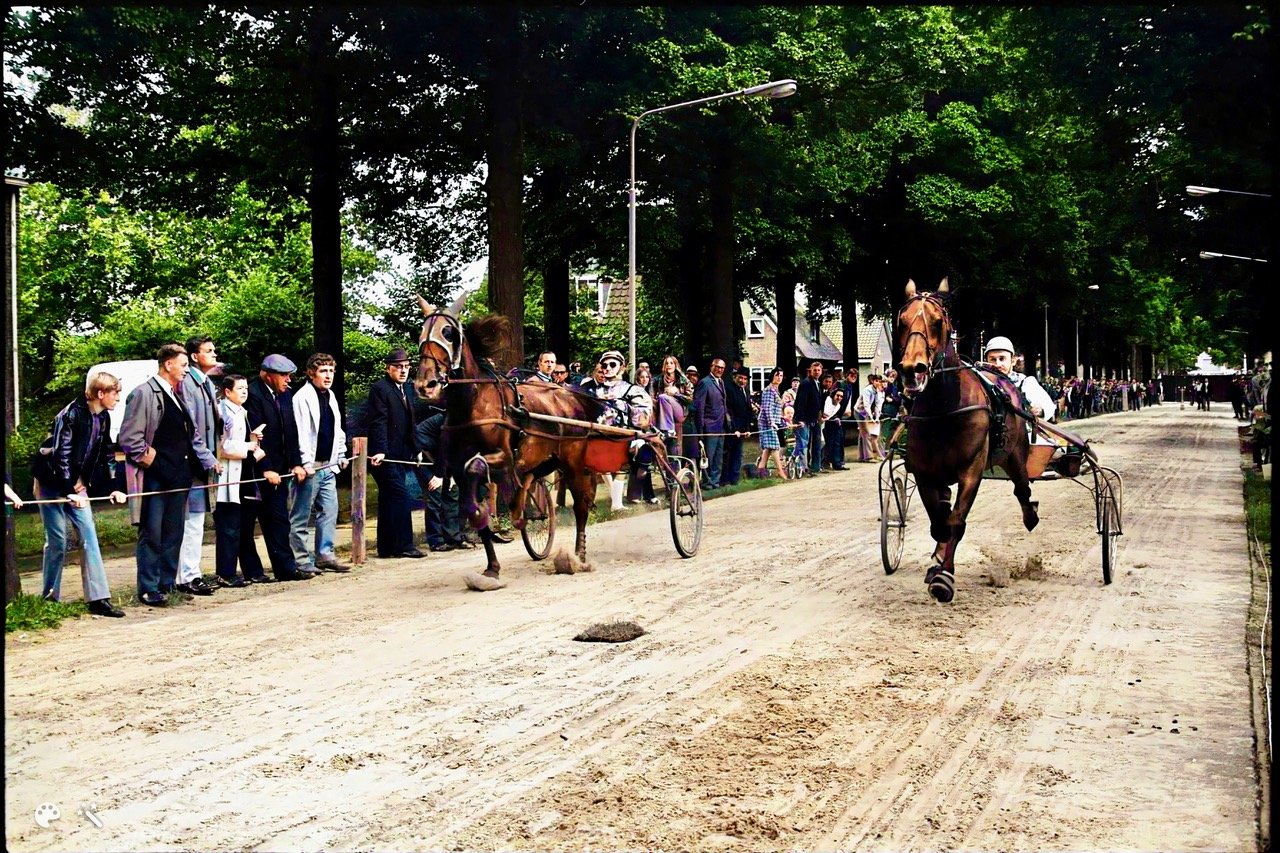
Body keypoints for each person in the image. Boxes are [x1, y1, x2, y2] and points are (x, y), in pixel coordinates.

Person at [30, 371, 128, 617]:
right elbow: (61, 454)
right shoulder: (71, 414)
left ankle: (98, 599)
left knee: (88, 535)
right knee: (57, 540)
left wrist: (113, 487)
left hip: (76, 483)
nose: (118, 398)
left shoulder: (103, 416)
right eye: (115, 393)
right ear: (100, 393)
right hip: (51, 482)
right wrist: (68, 489)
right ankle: (49, 597)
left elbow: (105, 454)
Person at [119, 343, 204, 606]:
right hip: (155, 477)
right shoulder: (144, 393)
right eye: (183, 365)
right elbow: (130, 439)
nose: (187, 370)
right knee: (152, 533)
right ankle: (148, 587)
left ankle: (167, 585)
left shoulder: (178, 395)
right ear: (168, 364)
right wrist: (158, 465)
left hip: (180, 476)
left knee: (173, 533)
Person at [245, 354, 315, 581]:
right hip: (256, 471)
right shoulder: (253, 394)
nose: (288, 380)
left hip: (281, 469)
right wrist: (265, 467)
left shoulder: (285, 395)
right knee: (247, 523)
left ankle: (285, 569)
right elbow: (254, 434)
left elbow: (291, 432)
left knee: (279, 519)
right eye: (283, 375)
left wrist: (296, 462)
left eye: (289, 375)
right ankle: (253, 572)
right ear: (267, 374)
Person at [290, 352, 351, 574]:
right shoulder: (302, 397)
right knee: (302, 515)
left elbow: (337, 429)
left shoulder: (331, 396)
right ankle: (301, 559)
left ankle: (325, 554)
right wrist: (306, 464)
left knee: (329, 511)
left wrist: (341, 454)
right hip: (311, 467)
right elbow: (301, 434)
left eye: (331, 371)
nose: (328, 376)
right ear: (311, 373)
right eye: (323, 371)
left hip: (328, 466)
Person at [176, 335, 223, 596]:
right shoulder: (188, 384)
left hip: (203, 463)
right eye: (209, 350)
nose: (214, 354)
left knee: (196, 521)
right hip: (193, 464)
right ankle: (187, 576)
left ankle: (191, 573)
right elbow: (192, 427)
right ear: (195, 356)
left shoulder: (205, 383)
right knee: (191, 521)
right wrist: (207, 457)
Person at [367, 347, 425, 558]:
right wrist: (380, 450)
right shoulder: (380, 389)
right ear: (388, 368)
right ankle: (405, 545)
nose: (403, 371)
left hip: (402, 454)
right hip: (385, 456)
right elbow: (379, 421)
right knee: (401, 497)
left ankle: (386, 548)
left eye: (406, 367)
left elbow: (411, 423)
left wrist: (417, 450)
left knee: (389, 500)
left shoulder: (406, 389)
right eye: (398, 367)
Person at [578, 350, 654, 508]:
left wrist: (623, 406)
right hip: (596, 437)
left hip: (623, 437)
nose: (607, 368)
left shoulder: (633, 391)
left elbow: (643, 419)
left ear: (622, 368)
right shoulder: (590, 391)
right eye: (604, 365)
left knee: (639, 447)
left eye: (612, 364)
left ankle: (619, 500)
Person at [213, 374, 269, 586]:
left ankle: (251, 570)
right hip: (227, 476)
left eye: (246, 388)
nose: (244, 392)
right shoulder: (223, 412)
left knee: (244, 524)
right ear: (227, 391)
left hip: (244, 473)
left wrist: (252, 439)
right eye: (239, 388)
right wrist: (248, 446)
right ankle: (225, 573)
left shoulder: (241, 411)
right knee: (229, 526)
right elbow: (222, 446)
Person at [984, 336, 1056, 442]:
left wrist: (1040, 410)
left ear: (1013, 361)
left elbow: (1048, 405)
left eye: (1002, 358)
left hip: (1023, 438)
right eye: (993, 359)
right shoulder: (981, 383)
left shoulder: (1025, 382)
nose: (998, 364)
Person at [691, 358, 729, 489]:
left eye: (722, 368)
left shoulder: (721, 382)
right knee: (708, 456)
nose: (719, 370)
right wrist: (700, 429)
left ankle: (715, 481)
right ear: (711, 367)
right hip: (709, 426)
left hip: (721, 425)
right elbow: (699, 407)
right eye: (717, 367)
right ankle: (707, 482)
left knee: (718, 457)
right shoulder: (705, 383)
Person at [722, 367, 753, 486]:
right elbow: (729, 411)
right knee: (728, 455)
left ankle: (734, 479)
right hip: (732, 430)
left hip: (742, 429)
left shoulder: (745, 391)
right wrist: (734, 429)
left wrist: (747, 429)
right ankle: (725, 480)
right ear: (735, 377)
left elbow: (747, 411)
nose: (742, 381)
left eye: (745, 379)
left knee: (737, 454)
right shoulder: (730, 389)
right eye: (740, 378)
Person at [756, 368, 789, 479]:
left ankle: (760, 471)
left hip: (774, 421)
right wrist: (771, 423)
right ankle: (780, 471)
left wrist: (782, 418)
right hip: (766, 422)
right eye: (777, 375)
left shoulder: (776, 390)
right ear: (772, 376)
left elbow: (776, 408)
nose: (779, 377)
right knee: (775, 446)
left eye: (781, 376)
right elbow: (767, 408)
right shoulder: (768, 390)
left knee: (769, 447)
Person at [793, 361, 825, 475]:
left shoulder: (818, 383)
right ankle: (803, 468)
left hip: (815, 418)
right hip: (804, 418)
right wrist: (800, 419)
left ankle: (816, 466)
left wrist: (820, 415)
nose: (816, 372)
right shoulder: (806, 383)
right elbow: (801, 402)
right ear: (810, 371)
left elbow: (819, 402)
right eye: (814, 370)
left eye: (818, 370)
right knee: (803, 443)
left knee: (818, 442)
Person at [854, 375, 884, 461]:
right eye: (876, 381)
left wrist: (877, 418)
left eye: (879, 381)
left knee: (862, 434)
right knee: (866, 433)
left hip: (866, 412)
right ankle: (868, 457)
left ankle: (861, 456)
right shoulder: (867, 390)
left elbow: (878, 405)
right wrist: (870, 418)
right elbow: (866, 405)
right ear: (872, 381)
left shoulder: (877, 391)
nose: (878, 383)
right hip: (860, 412)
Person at [821, 385, 848, 468]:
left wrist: (835, 418)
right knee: (822, 443)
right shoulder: (827, 400)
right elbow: (824, 413)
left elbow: (829, 416)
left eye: (841, 396)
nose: (839, 398)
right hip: (820, 422)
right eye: (838, 395)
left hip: (827, 422)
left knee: (835, 441)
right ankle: (822, 463)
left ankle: (835, 462)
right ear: (833, 395)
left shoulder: (838, 406)